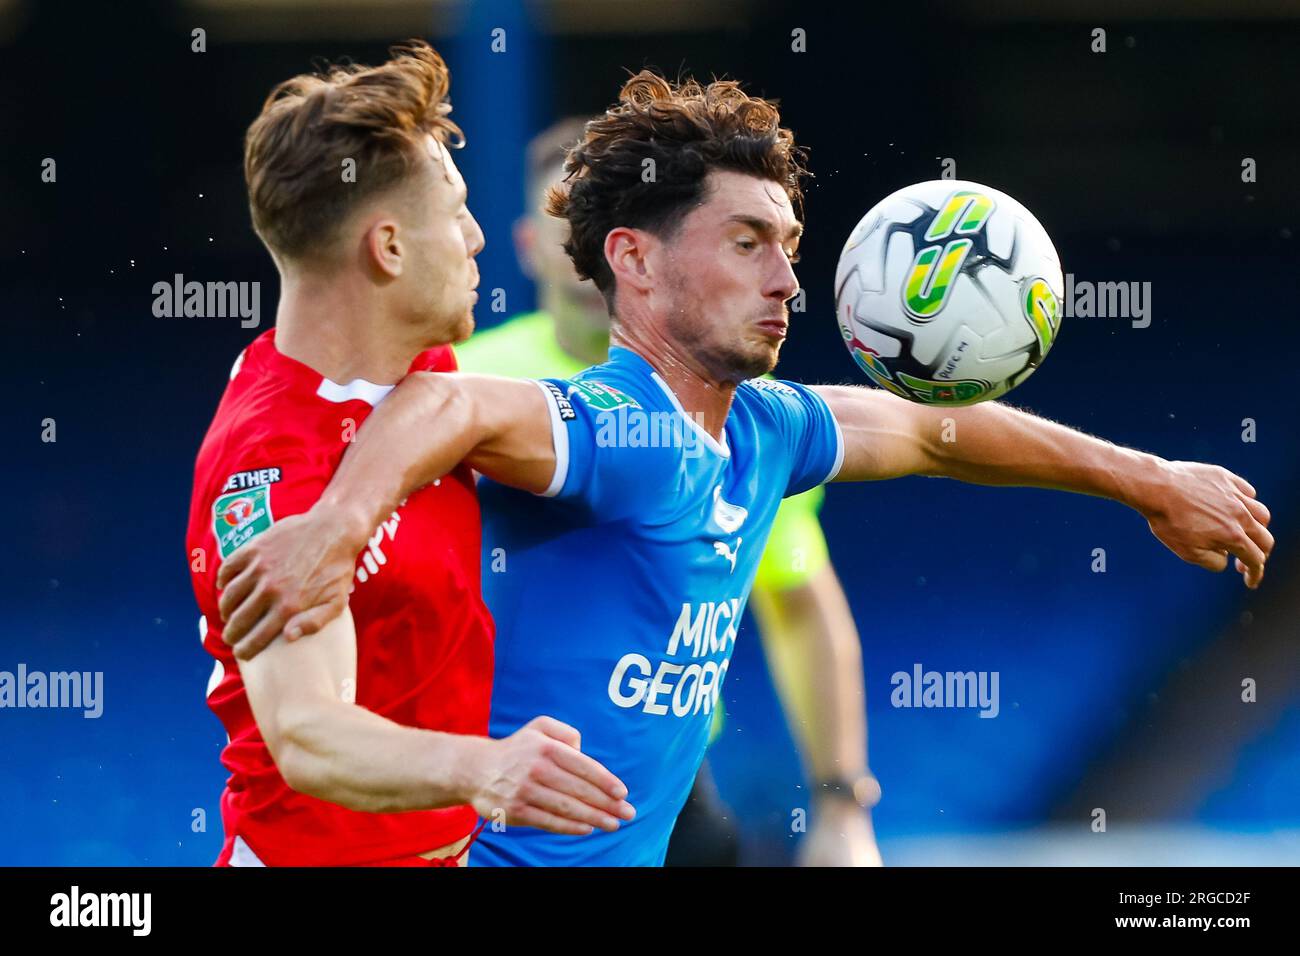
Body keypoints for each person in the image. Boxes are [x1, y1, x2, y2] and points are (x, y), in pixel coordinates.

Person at [216, 71, 1272, 866]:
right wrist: (340, 520)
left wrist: (1149, 478)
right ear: (634, 260)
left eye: (789, 244)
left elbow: (935, 431)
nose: (787, 279)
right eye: (747, 243)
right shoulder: (607, 427)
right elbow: (440, 402)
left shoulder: (764, 429)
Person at [186, 40, 632, 868]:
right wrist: (487, 765)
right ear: (388, 248)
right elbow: (309, 736)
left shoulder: (421, 369)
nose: (475, 239)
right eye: (455, 211)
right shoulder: (270, 472)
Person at [455, 118, 880, 866]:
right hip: (492, 783)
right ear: (538, 243)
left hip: (671, 795)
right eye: (567, 215)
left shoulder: (742, 414)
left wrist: (843, 806)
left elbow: (800, 605)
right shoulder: (462, 381)